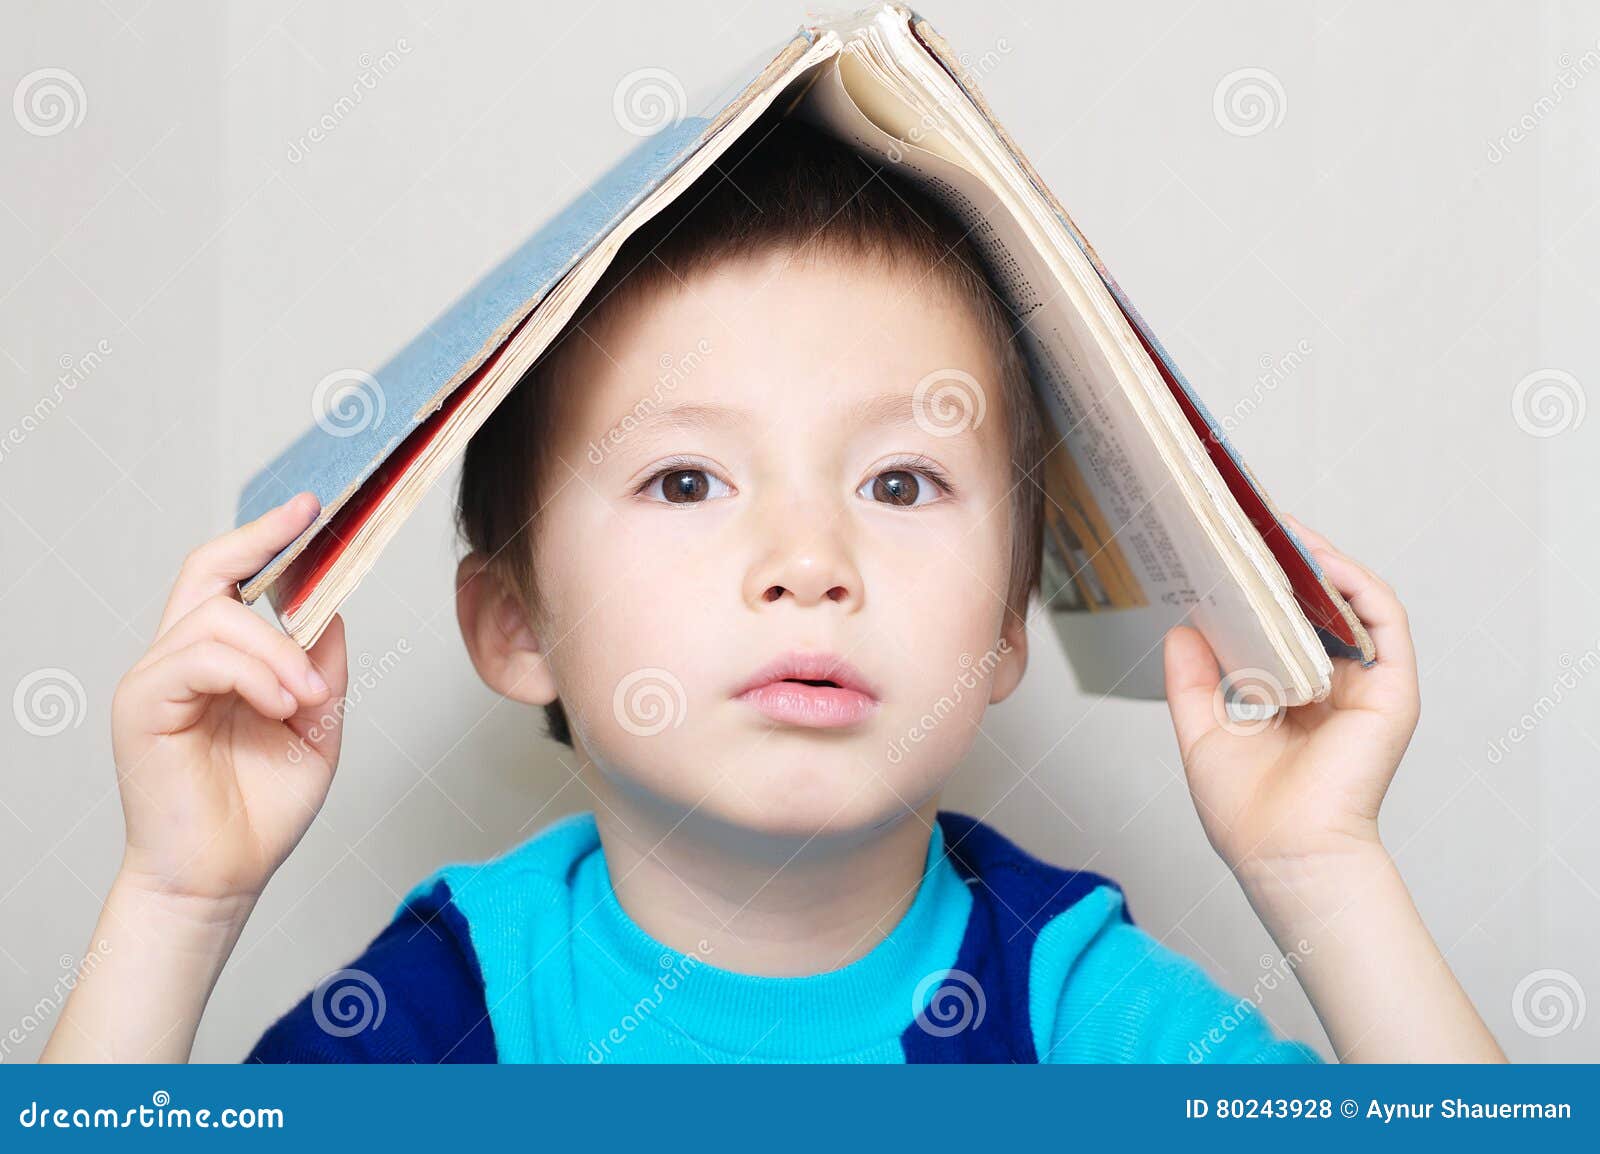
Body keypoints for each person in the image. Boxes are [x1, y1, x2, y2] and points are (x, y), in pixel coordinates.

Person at [42, 120, 1502, 1064]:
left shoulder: (1062, 991)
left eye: (901, 482)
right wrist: (178, 895)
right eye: (686, 481)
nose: (811, 563)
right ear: (515, 625)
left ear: (1007, 627)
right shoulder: (461, 999)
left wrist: (1325, 868)